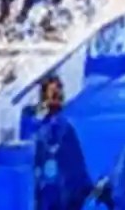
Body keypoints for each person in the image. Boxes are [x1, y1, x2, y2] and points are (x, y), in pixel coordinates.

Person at [33, 76, 93, 210]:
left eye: (58, 94)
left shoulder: (63, 128)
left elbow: (76, 164)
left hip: (63, 194)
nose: (57, 97)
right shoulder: (45, 129)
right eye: (53, 94)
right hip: (54, 193)